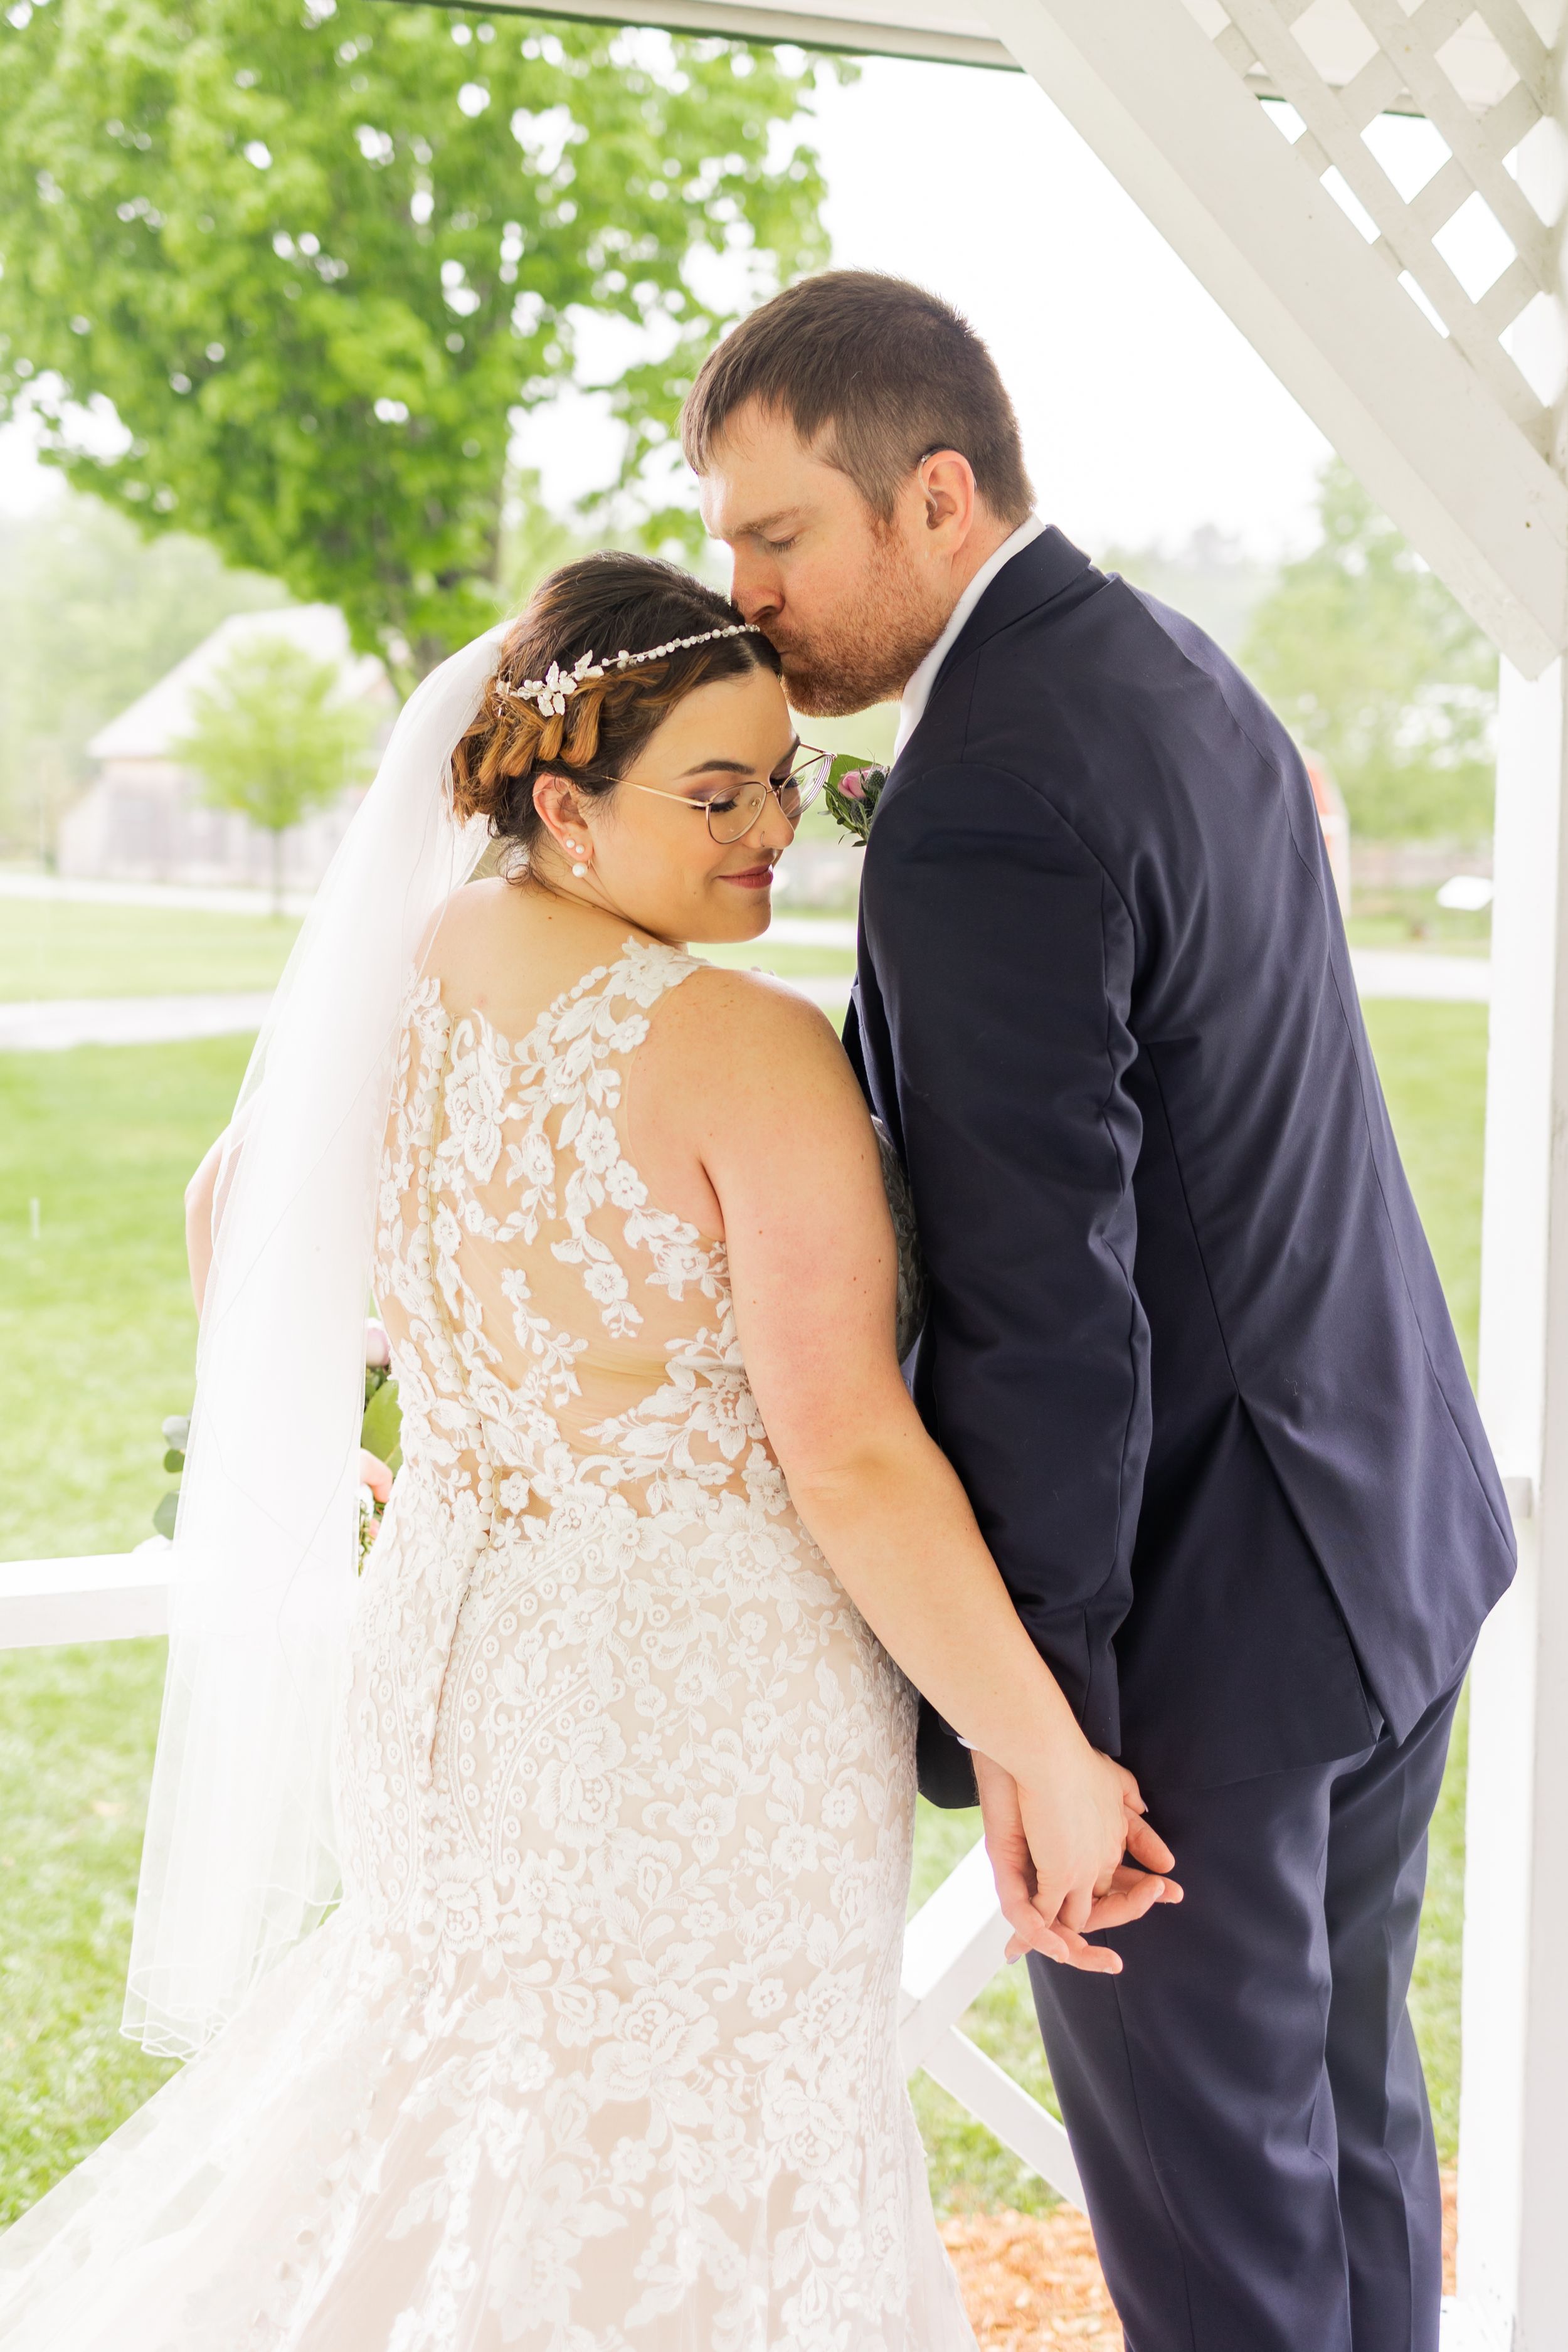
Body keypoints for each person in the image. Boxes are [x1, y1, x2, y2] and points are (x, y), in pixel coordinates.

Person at [0, 552, 1176, 2351]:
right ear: (560, 803)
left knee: (456, 2097)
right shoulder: (745, 1053)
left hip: (445, 1671)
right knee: (700, 2148)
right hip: (695, 1722)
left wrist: (377, 1458)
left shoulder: (382, 996)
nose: (772, 827)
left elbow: (226, 1212)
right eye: (714, 794)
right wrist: (1048, 1754)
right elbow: (848, 1454)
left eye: (784, 777)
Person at [682, 270, 1517, 2352]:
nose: (746, 594)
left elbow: (1043, 1316)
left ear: (934, 496)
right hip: (1380, 1551)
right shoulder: (1163, 661)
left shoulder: (975, 805)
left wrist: (1040, 1728)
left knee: (1226, 2255)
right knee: (1336, 2159)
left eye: (776, 537)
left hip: (1198, 1644)